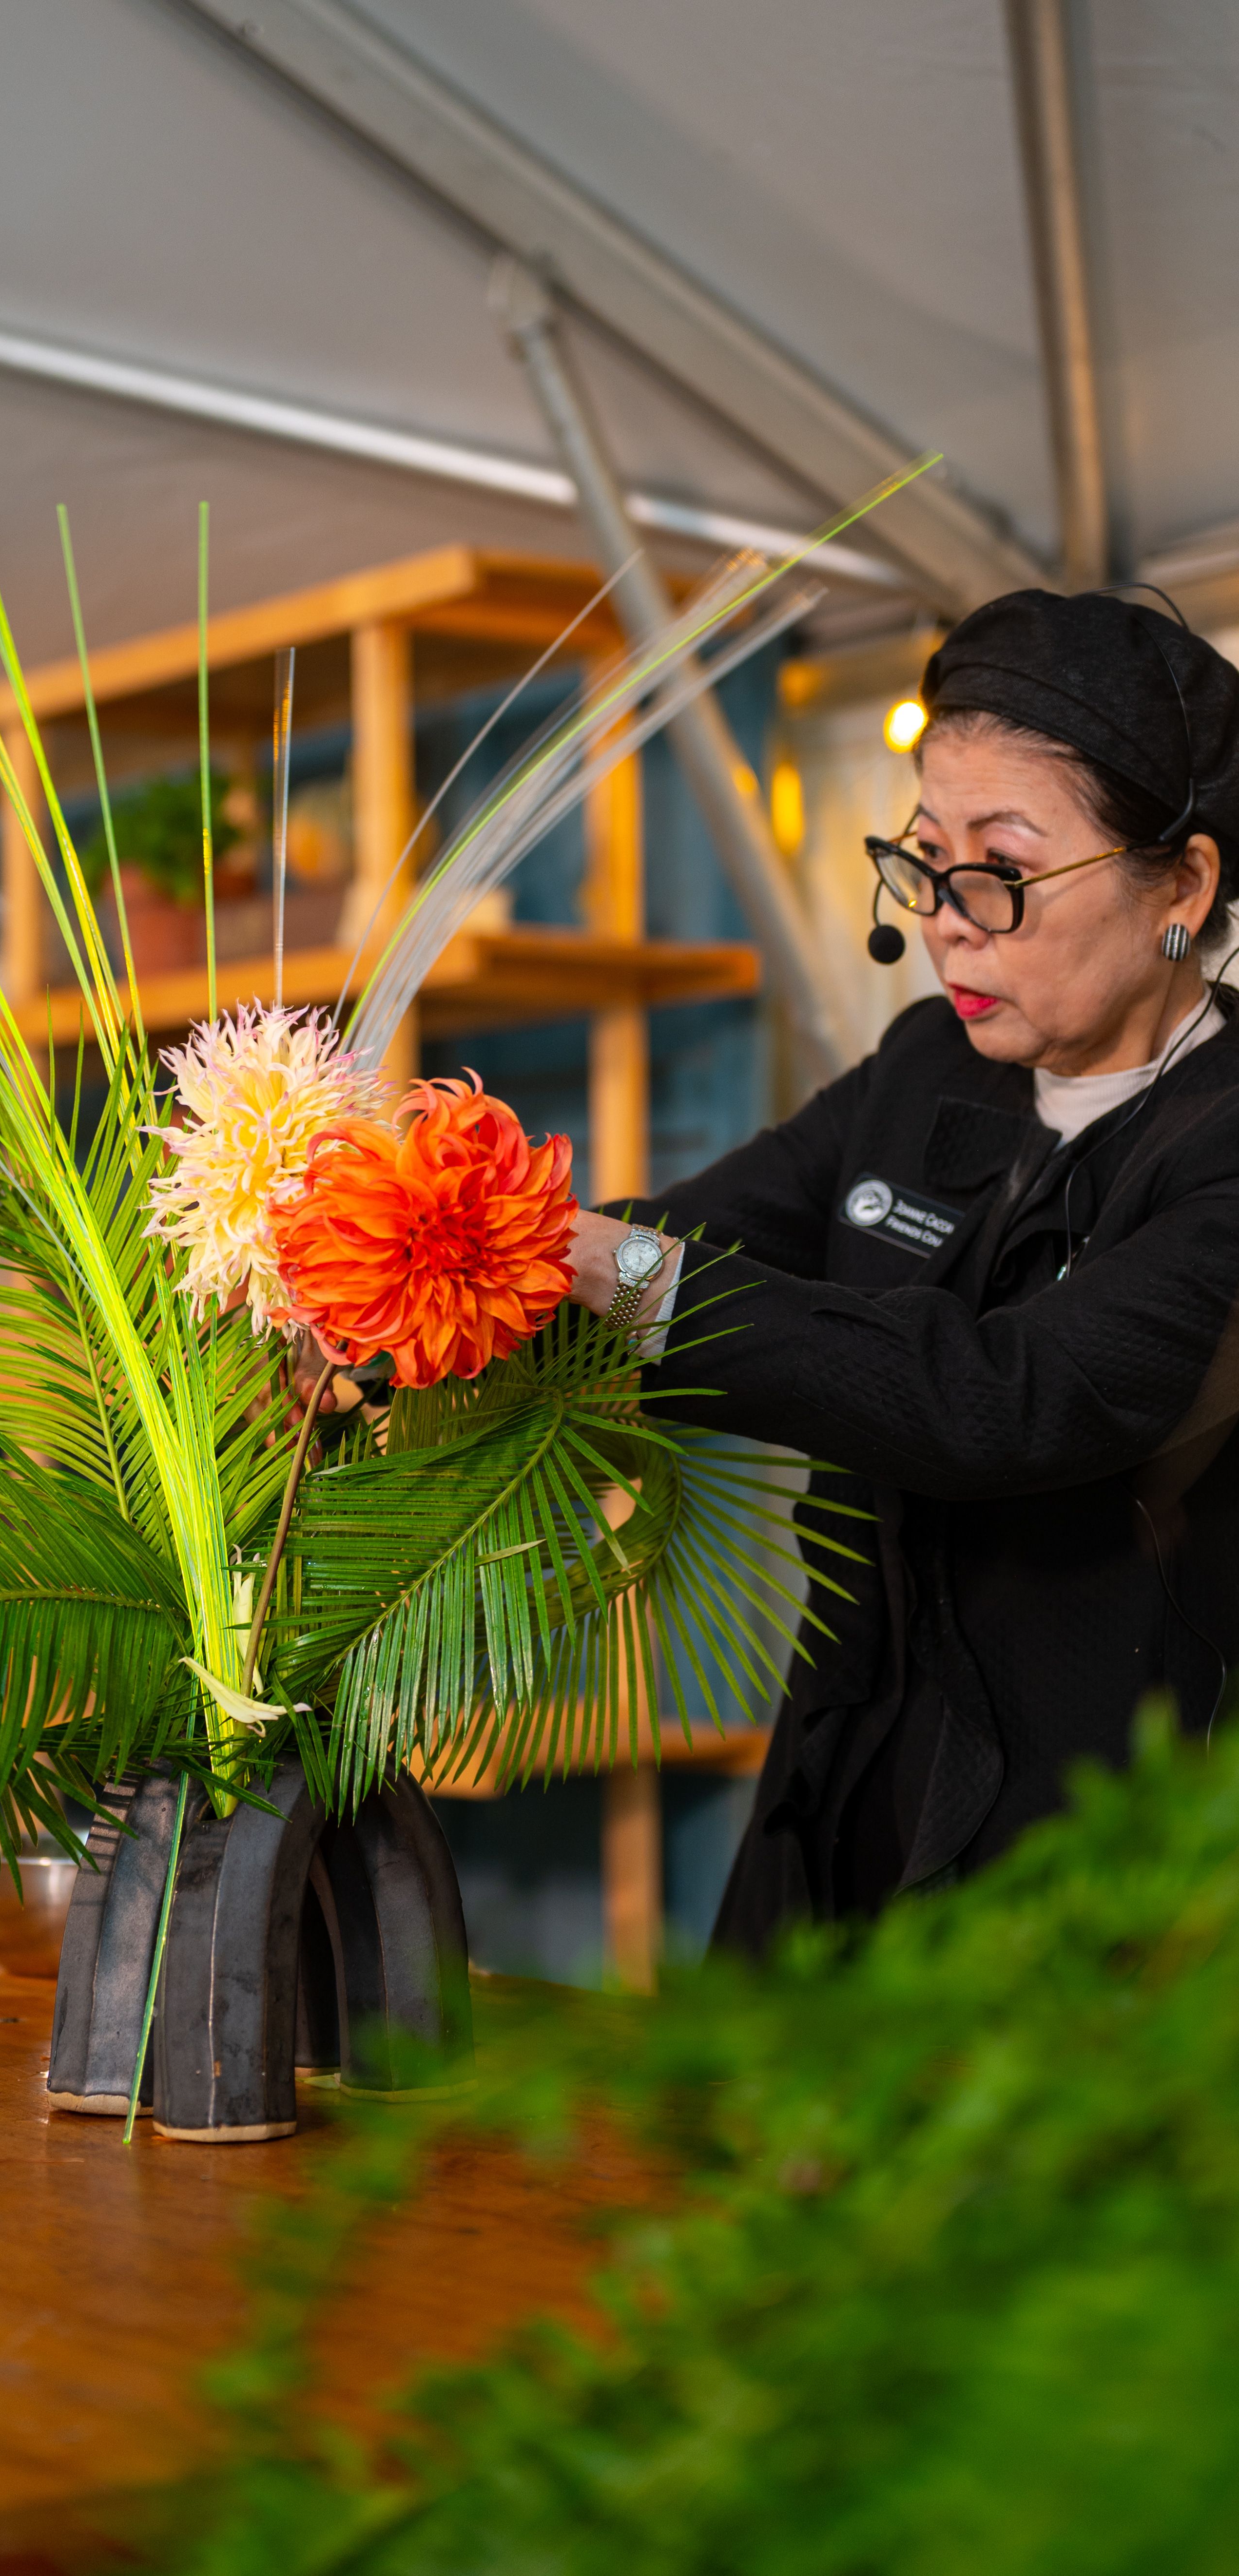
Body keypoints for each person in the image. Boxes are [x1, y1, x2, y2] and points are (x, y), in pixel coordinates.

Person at [299, 588, 1239, 1949]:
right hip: (842, 1789)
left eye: (1002, 868)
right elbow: (696, 1237)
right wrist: (413, 1299)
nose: (948, 922)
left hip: (1097, 1863)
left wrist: (585, 1254)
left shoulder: (1223, 1145)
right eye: (924, 858)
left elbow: (1001, 1396)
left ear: (1185, 886)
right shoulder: (927, 1071)